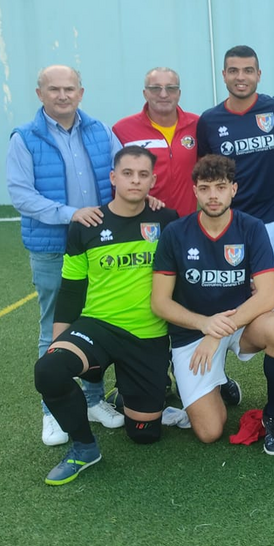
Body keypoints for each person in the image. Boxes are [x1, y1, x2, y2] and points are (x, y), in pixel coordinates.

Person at [32, 147, 174, 485]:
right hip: (98, 327)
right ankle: (84, 447)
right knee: (50, 370)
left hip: (148, 334)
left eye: (143, 175)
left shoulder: (167, 221)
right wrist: (59, 342)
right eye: (127, 173)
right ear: (113, 177)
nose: (135, 181)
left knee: (144, 434)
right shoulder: (87, 224)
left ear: (153, 181)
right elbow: (70, 291)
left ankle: (126, 390)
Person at [6, 64, 124, 446]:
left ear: (81, 92)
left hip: (99, 248)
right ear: (39, 93)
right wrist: (69, 214)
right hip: (53, 249)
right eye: (54, 89)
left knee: (96, 323)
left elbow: (122, 177)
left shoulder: (101, 131)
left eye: (69, 89)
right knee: (53, 328)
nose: (62, 95)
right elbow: (21, 194)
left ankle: (92, 400)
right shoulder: (24, 138)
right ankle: (52, 413)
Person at [151, 154, 274, 453]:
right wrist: (204, 324)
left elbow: (269, 296)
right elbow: (160, 302)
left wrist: (215, 332)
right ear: (195, 191)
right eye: (205, 188)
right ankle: (219, 385)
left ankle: (273, 414)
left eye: (220, 187)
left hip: (239, 323)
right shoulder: (175, 233)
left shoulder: (251, 227)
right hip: (194, 331)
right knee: (209, 432)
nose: (213, 195)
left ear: (234, 188)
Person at [196, 45, 274, 402]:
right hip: (226, 223)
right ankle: (218, 376)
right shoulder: (210, 120)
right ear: (224, 75)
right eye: (234, 70)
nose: (241, 77)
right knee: (219, 293)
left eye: (248, 70)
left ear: (259, 74)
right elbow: (205, 169)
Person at [113, 66, 199, 217]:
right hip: (144, 222)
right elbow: (114, 181)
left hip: (187, 221)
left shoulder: (197, 125)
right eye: (155, 88)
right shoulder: (122, 130)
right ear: (145, 93)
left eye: (171, 88)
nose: (164, 94)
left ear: (179, 94)